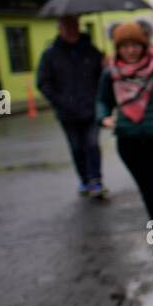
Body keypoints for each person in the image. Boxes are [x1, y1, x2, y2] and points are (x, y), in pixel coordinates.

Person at [96, 21, 153, 266]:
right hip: (129, 142)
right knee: (148, 193)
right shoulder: (111, 74)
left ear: (144, 43)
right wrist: (103, 117)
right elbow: (102, 102)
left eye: (135, 44)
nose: (130, 50)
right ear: (118, 48)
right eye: (125, 46)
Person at [36, 16, 106, 196]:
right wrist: (59, 101)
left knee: (92, 144)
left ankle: (95, 180)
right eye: (66, 26)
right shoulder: (51, 54)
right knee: (76, 147)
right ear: (60, 29)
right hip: (67, 113)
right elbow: (43, 82)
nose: (71, 29)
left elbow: (103, 79)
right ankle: (84, 179)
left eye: (73, 25)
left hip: (90, 110)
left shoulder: (91, 51)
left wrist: (106, 67)